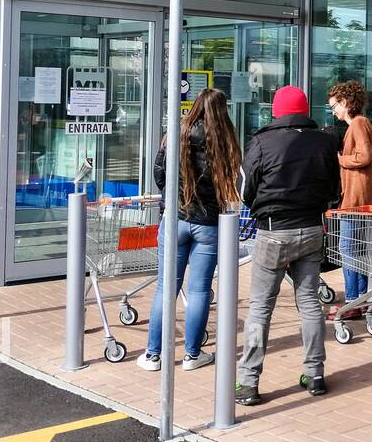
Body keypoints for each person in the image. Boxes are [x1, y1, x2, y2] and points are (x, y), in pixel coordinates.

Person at [235, 85, 340, 405]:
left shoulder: (262, 142)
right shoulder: (325, 142)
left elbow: (245, 191)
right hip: (310, 229)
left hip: (272, 232)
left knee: (259, 308)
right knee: (309, 303)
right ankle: (315, 373)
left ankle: (249, 382)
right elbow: (335, 190)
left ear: (276, 111)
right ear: (305, 109)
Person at [138, 88, 241, 373]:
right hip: (208, 223)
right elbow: (230, 184)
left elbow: (159, 175)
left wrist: (175, 196)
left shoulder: (177, 135)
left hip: (176, 219)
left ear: (195, 106)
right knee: (199, 291)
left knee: (165, 288)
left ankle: (152, 355)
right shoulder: (225, 142)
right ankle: (192, 355)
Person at [328, 80, 372, 321]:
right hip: (359, 199)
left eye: (334, 106)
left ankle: (351, 301)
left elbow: (364, 156)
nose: (334, 111)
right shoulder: (360, 124)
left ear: (345, 103)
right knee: (357, 250)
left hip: (355, 200)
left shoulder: (358, 123)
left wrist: (338, 159)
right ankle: (360, 299)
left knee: (347, 249)